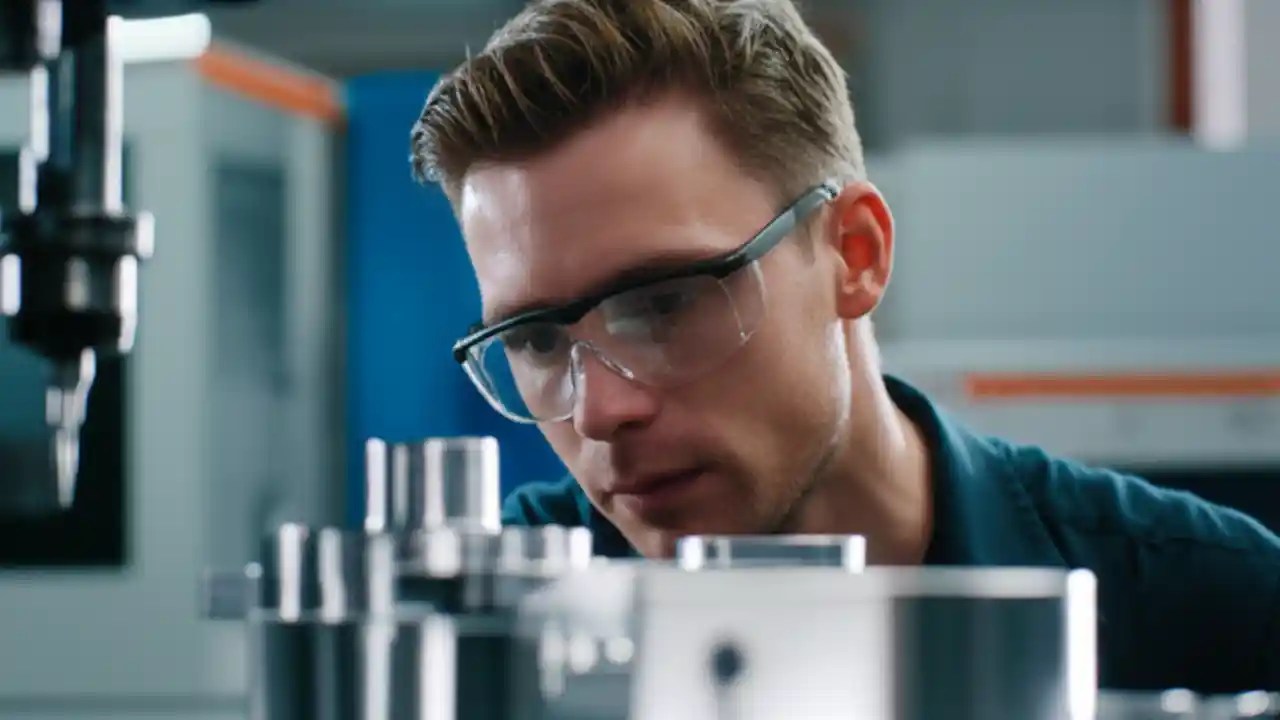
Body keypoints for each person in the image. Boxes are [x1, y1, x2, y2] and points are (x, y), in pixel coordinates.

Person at [409, 0, 1280, 694]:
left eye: (662, 305)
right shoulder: (461, 636)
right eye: (534, 340)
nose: (600, 411)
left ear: (854, 254)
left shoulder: (1219, 616)